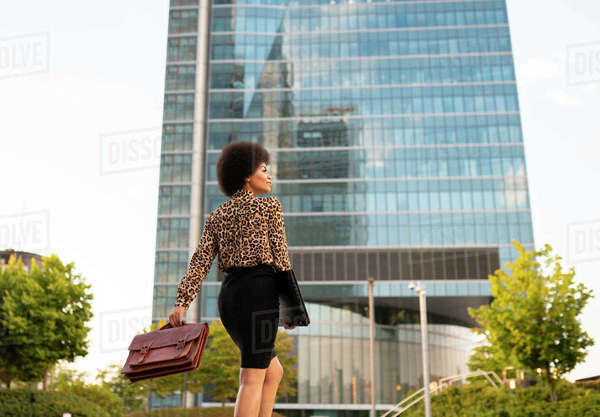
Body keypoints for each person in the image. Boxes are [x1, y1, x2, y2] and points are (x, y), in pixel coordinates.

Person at [169, 141, 295, 417]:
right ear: (248, 175)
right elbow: (282, 260)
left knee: (272, 371)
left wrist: (182, 302)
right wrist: (292, 309)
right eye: (264, 169)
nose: (269, 175)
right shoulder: (269, 207)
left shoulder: (217, 216)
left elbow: (200, 262)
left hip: (231, 301)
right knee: (252, 377)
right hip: (260, 296)